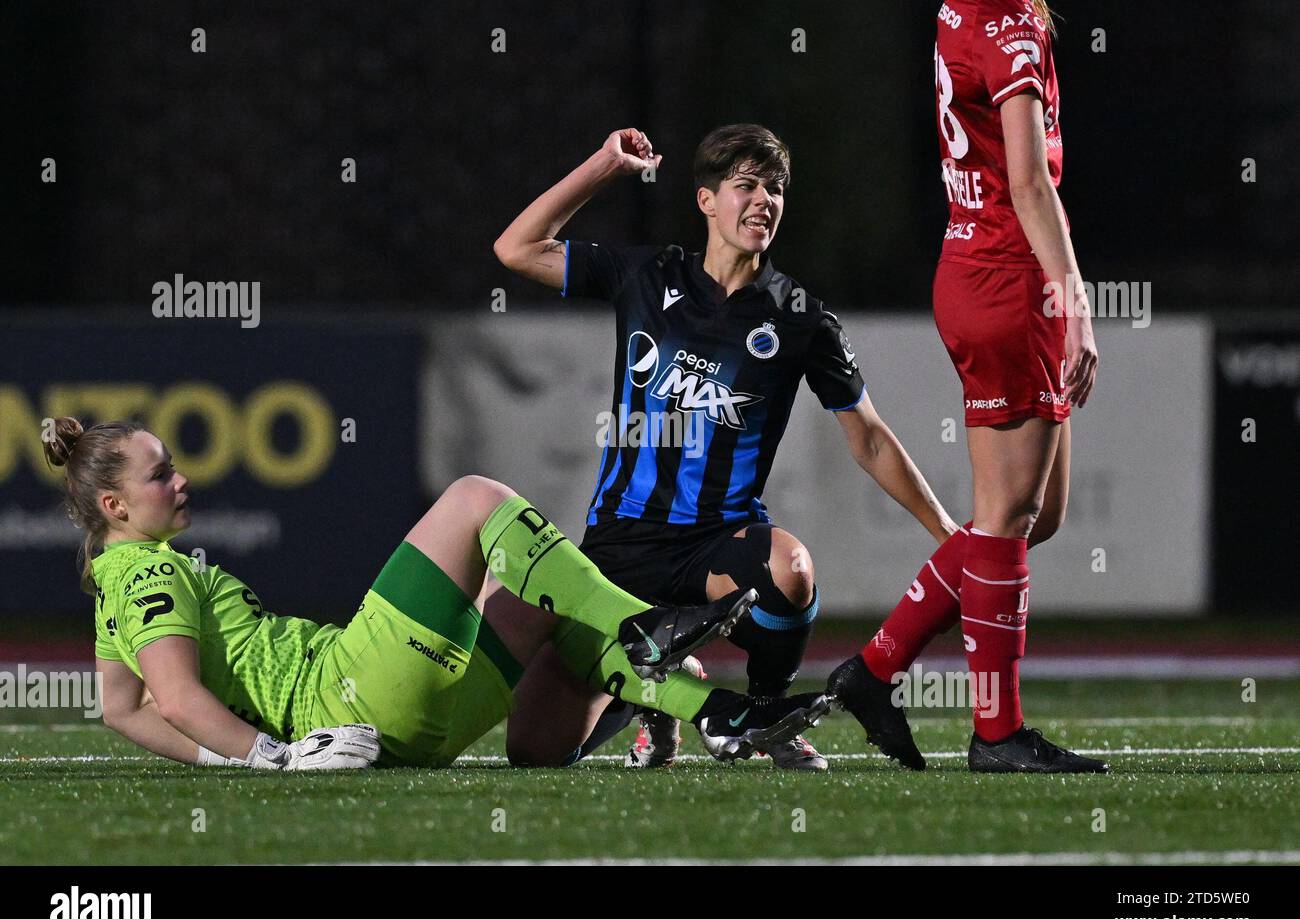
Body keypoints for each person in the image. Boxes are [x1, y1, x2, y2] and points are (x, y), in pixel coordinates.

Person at [495, 124, 956, 770]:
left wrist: (945, 533)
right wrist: (604, 165)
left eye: (775, 189)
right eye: (746, 185)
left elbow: (870, 438)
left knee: (789, 570)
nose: (764, 200)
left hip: (717, 550)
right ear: (707, 201)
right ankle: (662, 690)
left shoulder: (800, 317)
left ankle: (769, 713)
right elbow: (516, 248)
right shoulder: (647, 277)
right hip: (617, 552)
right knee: (535, 750)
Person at [44, 417, 829, 770]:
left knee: (536, 600)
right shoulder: (148, 570)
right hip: (347, 695)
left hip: (404, 729)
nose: (180, 479)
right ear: (114, 508)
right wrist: (270, 759)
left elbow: (124, 708)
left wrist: (230, 760)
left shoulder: (118, 580)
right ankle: (648, 631)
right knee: (475, 500)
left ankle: (723, 715)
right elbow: (175, 699)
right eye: (160, 474)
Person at [828, 0, 1106, 773]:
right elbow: (1027, 180)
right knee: (1006, 517)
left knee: (1031, 517)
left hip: (974, 267)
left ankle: (876, 670)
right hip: (1008, 277)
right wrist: (1073, 301)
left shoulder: (961, 10)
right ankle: (994, 732)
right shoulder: (1008, 21)